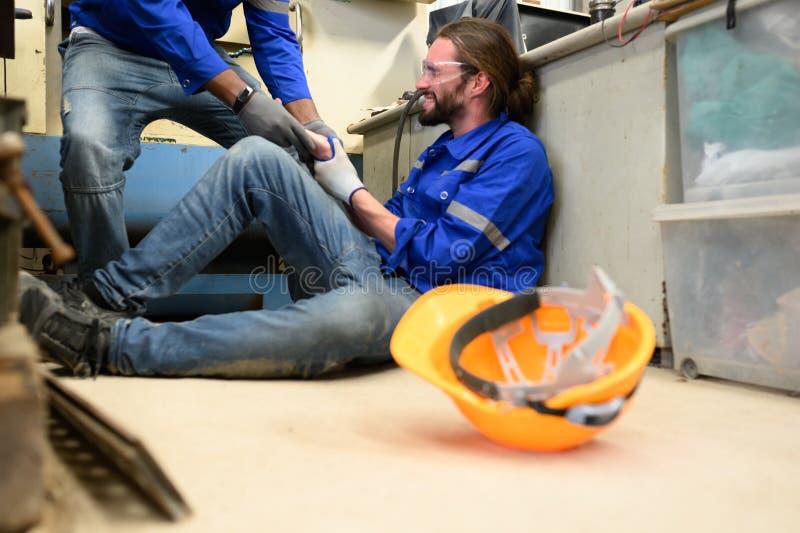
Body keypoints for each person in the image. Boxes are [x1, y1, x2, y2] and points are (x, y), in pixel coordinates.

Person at [19, 18, 554, 379]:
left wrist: (353, 192)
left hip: (435, 302)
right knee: (258, 157)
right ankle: (107, 297)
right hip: (382, 270)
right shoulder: (444, 148)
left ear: (478, 82)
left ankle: (108, 347)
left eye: (434, 71)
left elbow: (442, 257)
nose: (421, 82)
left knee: (349, 319)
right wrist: (328, 186)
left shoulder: (515, 155)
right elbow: (396, 232)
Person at [60, 0, 336, 279]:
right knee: (88, 148)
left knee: (297, 155)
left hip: (197, 47)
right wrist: (243, 99)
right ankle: (105, 303)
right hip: (109, 42)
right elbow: (154, 8)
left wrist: (310, 123)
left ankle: (325, 307)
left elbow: (272, 32)